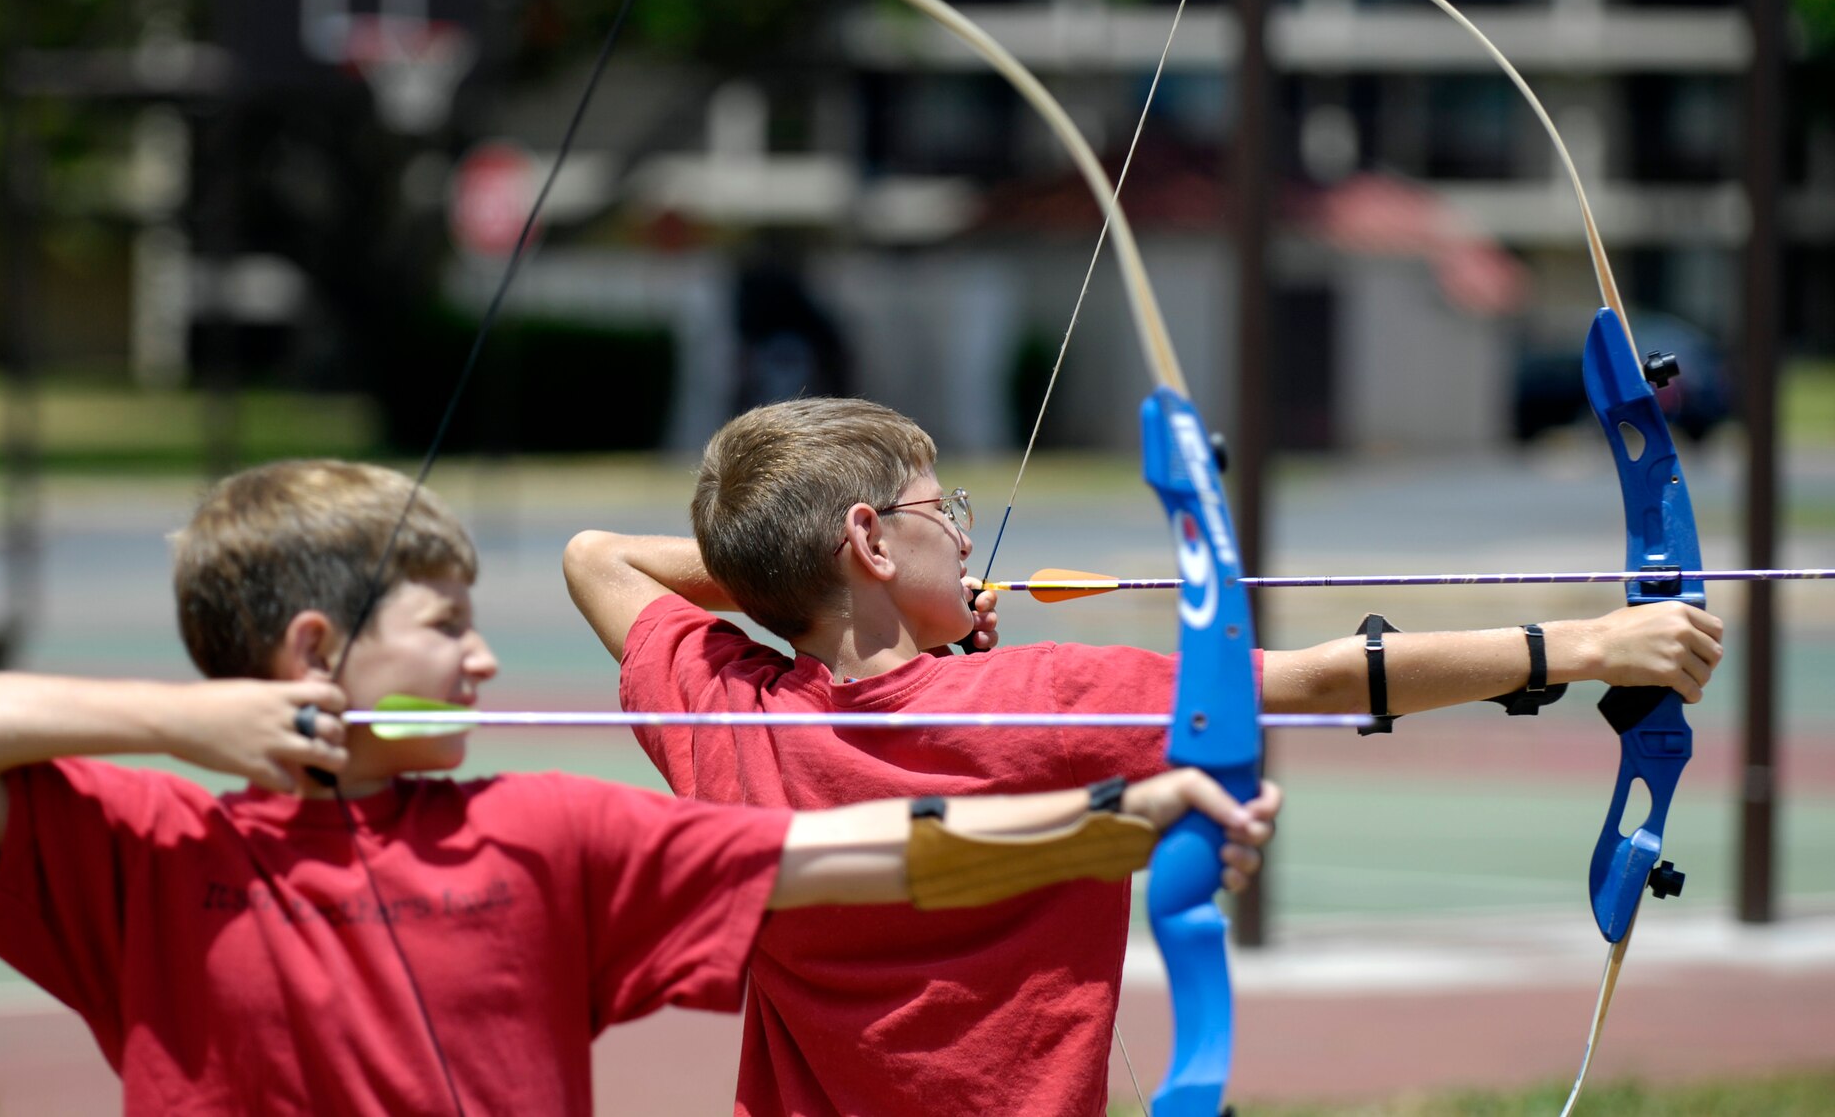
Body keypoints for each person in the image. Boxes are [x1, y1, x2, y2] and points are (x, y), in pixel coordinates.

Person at [0, 458, 1279, 1117]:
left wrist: (1117, 820)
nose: (482, 663)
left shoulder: (537, 827)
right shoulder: (148, 851)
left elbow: (866, 854)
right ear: (313, 651)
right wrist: (192, 723)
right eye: (448, 629)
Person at [563, 396, 1727, 1117]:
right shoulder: (1040, 696)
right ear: (865, 536)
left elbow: (596, 555)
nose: (961, 530)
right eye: (935, 510)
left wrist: (795, 583)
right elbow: (1311, 678)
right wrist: (1582, 641)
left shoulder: (715, 704)